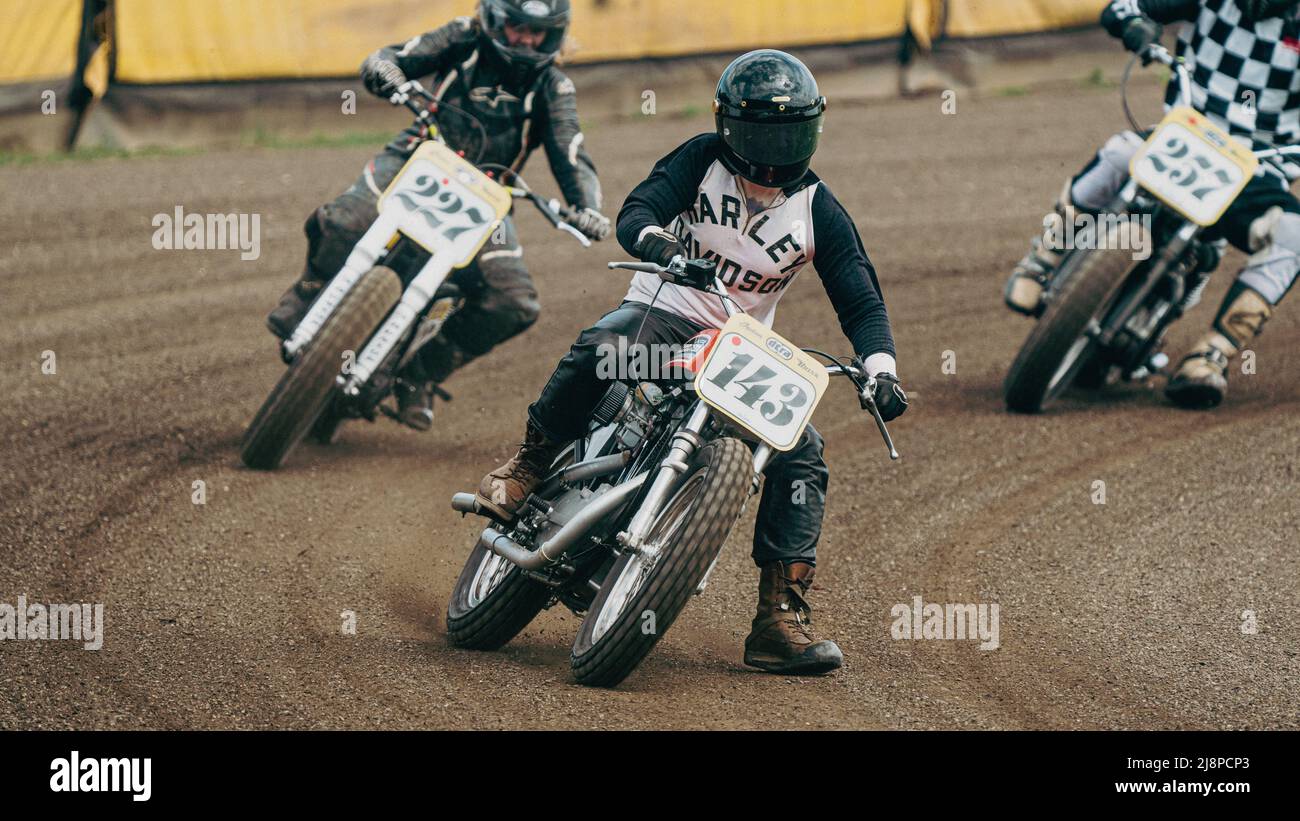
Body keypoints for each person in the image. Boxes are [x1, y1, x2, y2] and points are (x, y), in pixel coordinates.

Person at [474, 49, 909, 675]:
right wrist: (664, 247)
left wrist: (882, 369)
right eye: (760, 132)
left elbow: (860, 298)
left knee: (804, 451)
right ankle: (530, 462)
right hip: (668, 306)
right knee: (603, 351)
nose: (772, 151)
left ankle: (777, 619)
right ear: (728, 127)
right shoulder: (699, 157)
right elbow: (637, 211)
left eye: (788, 133)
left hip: (739, 346)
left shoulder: (820, 210)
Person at [265, 0, 611, 429]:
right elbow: (395, 56)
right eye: (515, 25)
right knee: (345, 221)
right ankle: (307, 295)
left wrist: (588, 208)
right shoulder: (463, 38)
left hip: (488, 195)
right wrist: (385, 69)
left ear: (554, 34)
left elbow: (570, 149)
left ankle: (417, 375)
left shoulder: (554, 87)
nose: (523, 38)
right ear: (493, 18)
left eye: (536, 31)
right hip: (419, 155)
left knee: (513, 301)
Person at [1004, 0, 1300, 408]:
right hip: (1186, 133)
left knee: (1293, 236)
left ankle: (1213, 353)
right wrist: (1134, 26)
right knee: (1119, 153)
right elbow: (1123, 6)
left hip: (1257, 168)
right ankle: (1043, 258)